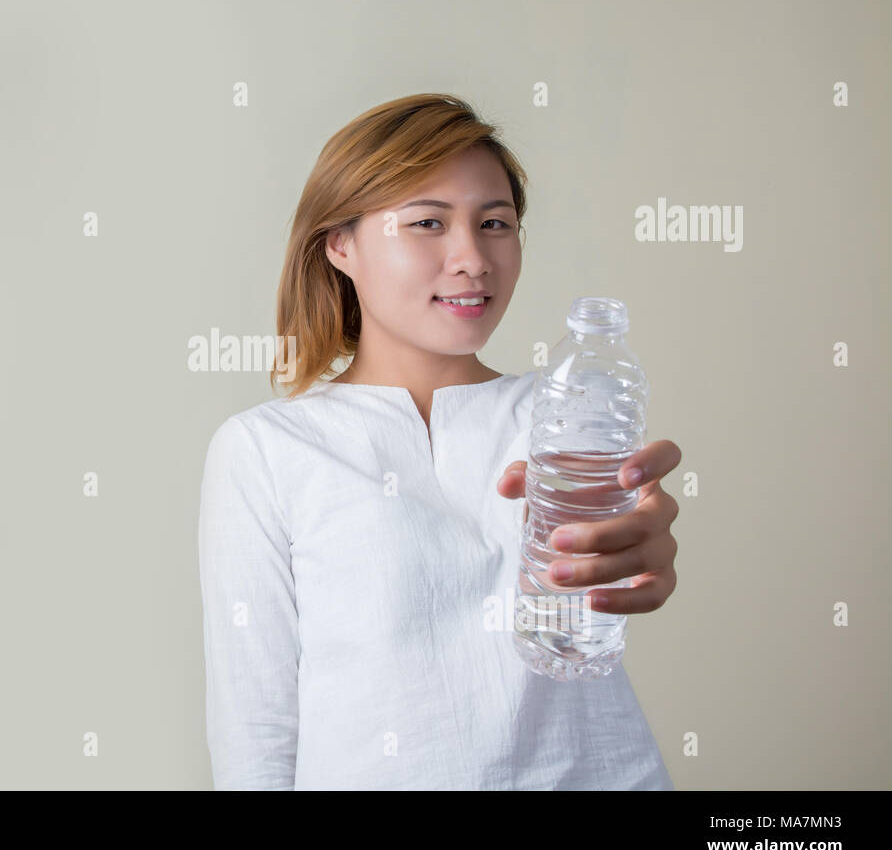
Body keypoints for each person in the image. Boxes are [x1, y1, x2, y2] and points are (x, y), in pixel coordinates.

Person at [197, 93, 681, 790]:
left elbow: (629, 551)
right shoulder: (269, 449)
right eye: (428, 222)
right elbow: (256, 728)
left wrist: (646, 553)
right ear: (340, 244)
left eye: (496, 224)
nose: (473, 259)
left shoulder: (564, 413)